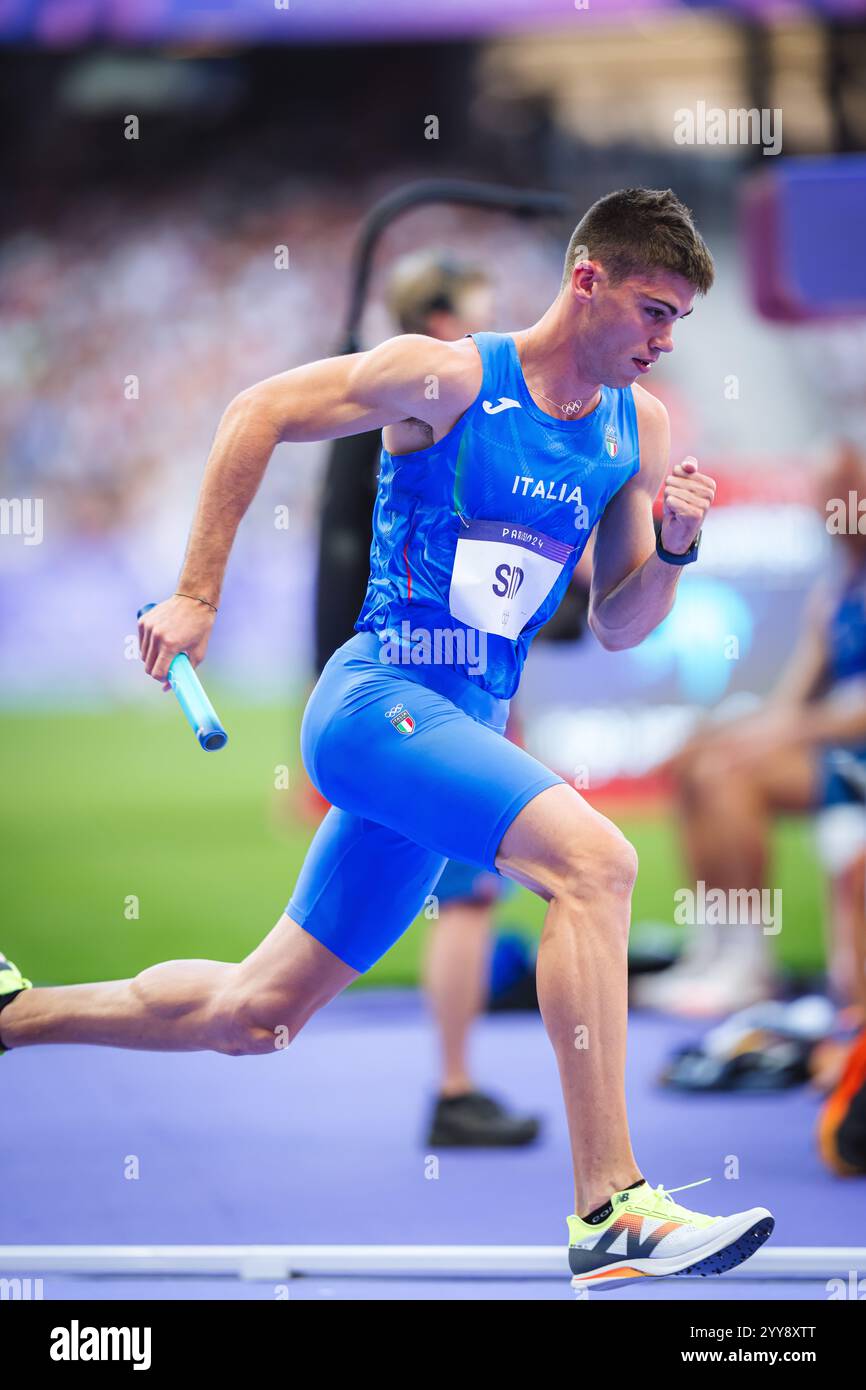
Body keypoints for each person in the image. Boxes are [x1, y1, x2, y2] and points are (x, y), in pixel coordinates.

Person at [0, 187, 774, 1289]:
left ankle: (14, 1014)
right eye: (651, 310)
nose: (662, 342)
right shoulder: (450, 376)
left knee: (258, 1014)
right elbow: (253, 410)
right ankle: (610, 1206)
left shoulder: (633, 429)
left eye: (678, 323)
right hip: (375, 707)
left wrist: (676, 547)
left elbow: (613, 624)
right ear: (585, 279)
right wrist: (195, 596)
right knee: (594, 863)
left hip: (453, 732)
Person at [312, 249, 540, 1147]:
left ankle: (25, 1013)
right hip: (410, 698)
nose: (492, 336)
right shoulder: (418, 415)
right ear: (441, 321)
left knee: (261, 1004)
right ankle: (453, 1085)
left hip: (436, 689)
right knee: (482, 890)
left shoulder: (424, 418)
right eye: (478, 315)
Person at [634, 442, 866, 1019]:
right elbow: (792, 700)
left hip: (852, 756)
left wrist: (776, 736)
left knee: (727, 772)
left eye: (838, 498)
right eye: (824, 499)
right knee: (698, 757)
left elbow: (823, 718)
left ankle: (747, 961)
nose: (827, 512)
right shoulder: (836, 592)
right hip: (837, 751)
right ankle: (714, 947)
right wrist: (737, 730)